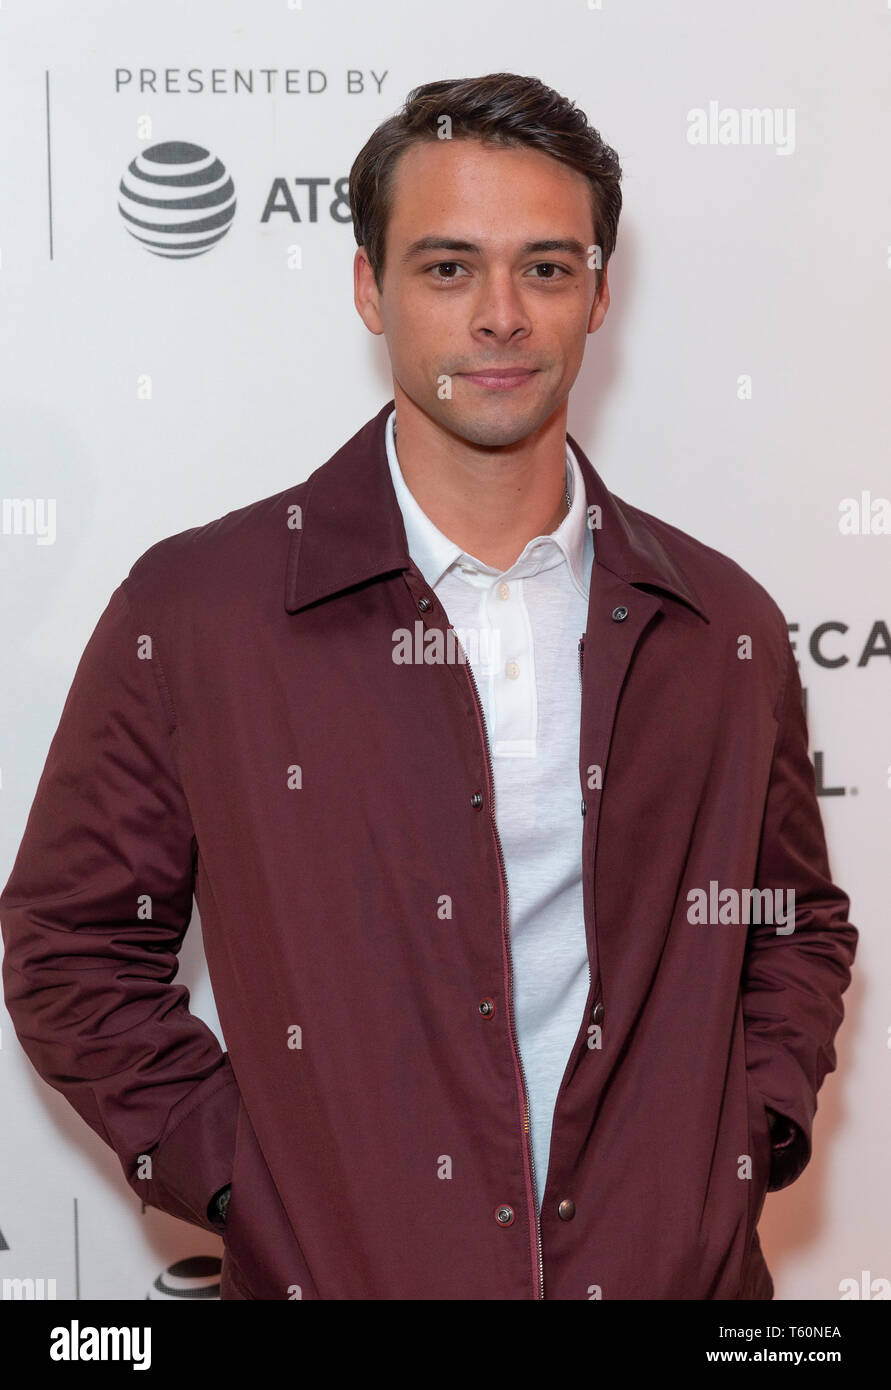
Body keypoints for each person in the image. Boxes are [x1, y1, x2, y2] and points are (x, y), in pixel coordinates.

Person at [0, 73, 857, 1300]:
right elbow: (70, 940)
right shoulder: (200, 610)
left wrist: (744, 1132)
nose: (500, 316)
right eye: (449, 268)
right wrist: (251, 1176)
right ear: (369, 287)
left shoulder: (719, 621)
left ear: (601, 295)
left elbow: (789, 922)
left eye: (547, 269)